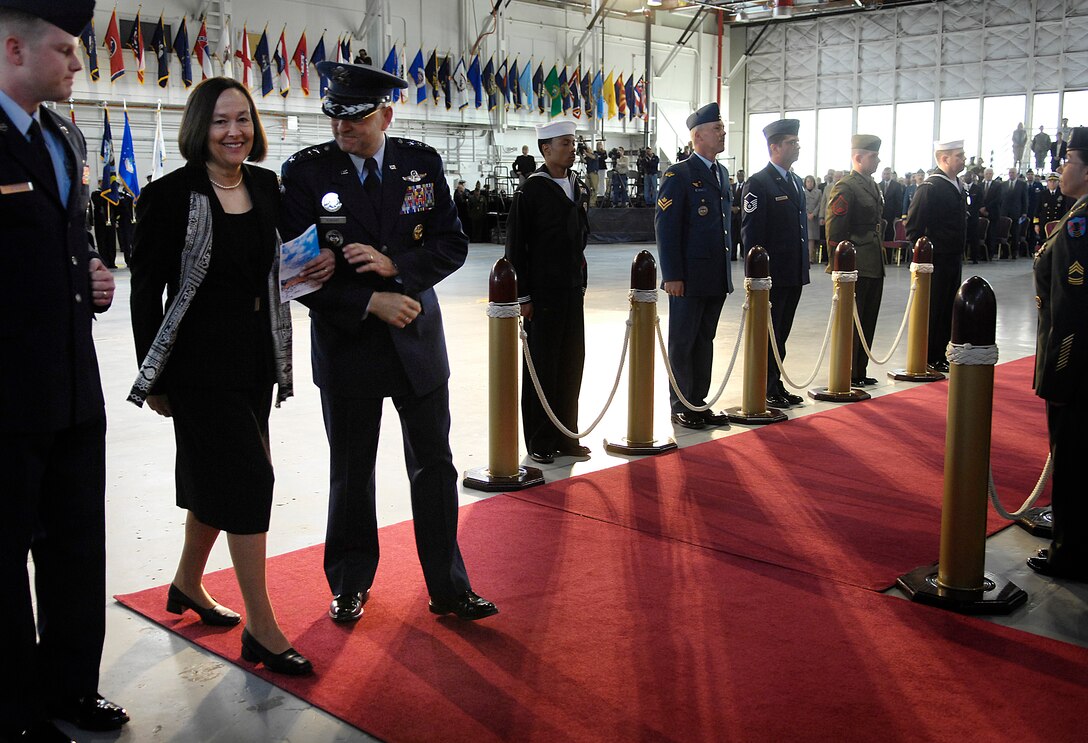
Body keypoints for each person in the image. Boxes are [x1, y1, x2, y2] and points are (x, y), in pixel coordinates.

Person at [280, 61, 497, 625]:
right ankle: (350, 581)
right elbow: (293, 274)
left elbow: (451, 245)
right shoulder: (306, 173)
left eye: (354, 120)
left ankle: (448, 587)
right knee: (352, 471)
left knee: (435, 467)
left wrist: (394, 267)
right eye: (334, 118)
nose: (341, 130)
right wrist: (367, 301)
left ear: (386, 114)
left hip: (416, 339)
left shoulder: (420, 165)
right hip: (348, 342)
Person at [130, 77, 332, 677]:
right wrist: (156, 376)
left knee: (216, 480)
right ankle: (262, 629)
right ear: (200, 127)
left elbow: (280, 264)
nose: (234, 131)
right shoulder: (169, 195)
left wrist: (312, 266)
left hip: (253, 358)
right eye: (220, 121)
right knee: (249, 482)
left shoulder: (266, 187)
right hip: (195, 364)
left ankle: (187, 584)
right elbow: (146, 294)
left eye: (243, 119)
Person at [0, 1, 129, 739]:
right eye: (65, 49)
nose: (78, 61)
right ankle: (16, 711)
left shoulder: (63, 134)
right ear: (15, 50)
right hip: (7, 399)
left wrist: (91, 273)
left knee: (79, 550)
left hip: (76, 389)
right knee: (4, 562)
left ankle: (71, 687)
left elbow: (67, 242)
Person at [505, 120, 592, 463]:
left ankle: (566, 434)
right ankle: (540, 440)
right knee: (541, 366)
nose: (573, 148)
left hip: (572, 291)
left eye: (574, 142)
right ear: (546, 149)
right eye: (566, 143)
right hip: (542, 296)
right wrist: (522, 296)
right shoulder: (531, 190)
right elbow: (516, 246)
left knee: (572, 362)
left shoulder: (576, 185)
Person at [1027, 126, 1088, 582]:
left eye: (1068, 160)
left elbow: (1071, 309)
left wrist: (1059, 375)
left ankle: (1071, 552)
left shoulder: (1078, 224)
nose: (1061, 168)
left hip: (1077, 363)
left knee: (1072, 459)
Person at [657, 102, 734, 429]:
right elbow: (666, 226)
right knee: (683, 341)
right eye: (716, 129)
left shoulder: (721, 172)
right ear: (698, 136)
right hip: (687, 276)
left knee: (705, 340)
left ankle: (698, 402)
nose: (722, 133)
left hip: (714, 275)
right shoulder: (680, 173)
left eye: (722, 128)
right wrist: (672, 275)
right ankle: (681, 404)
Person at [742, 118, 809, 409]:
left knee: (781, 334)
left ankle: (775, 384)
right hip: (772, 275)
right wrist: (757, 276)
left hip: (792, 272)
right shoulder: (758, 183)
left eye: (797, 142)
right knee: (768, 334)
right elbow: (751, 233)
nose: (797, 146)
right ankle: (765, 386)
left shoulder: (795, 181)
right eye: (791, 143)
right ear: (775, 147)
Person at [824, 135, 885, 387]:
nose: (878, 159)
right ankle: (847, 369)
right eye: (873, 156)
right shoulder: (846, 186)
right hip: (855, 264)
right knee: (853, 320)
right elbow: (835, 229)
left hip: (873, 261)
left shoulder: (871, 184)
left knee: (868, 319)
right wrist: (840, 267)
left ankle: (860, 369)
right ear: (858, 158)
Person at [904, 139, 967, 374]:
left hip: (953, 257)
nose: (963, 159)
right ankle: (930, 354)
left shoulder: (958, 184)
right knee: (935, 308)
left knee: (949, 307)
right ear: (944, 158)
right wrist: (924, 256)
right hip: (936, 260)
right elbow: (914, 226)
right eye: (959, 155)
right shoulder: (931, 187)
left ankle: (941, 352)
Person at [1001, 168, 1028, 257]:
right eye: (1010, 173)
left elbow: (1025, 199)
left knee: (1015, 233)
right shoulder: (1003, 184)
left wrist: (1024, 212)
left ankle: (1014, 252)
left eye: (1013, 173)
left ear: (1016, 174)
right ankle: (1005, 253)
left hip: (1016, 212)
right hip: (1005, 212)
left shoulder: (1022, 185)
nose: (1011, 174)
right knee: (1004, 233)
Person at [1036, 172, 1067, 240]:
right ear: (1047, 182)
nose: (1052, 183)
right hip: (1044, 223)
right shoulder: (1042, 194)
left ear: (1058, 182)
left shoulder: (1063, 194)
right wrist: (1036, 224)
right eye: (1050, 181)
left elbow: (1065, 210)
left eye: (1054, 181)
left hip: (1058, 223)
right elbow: (1037, 211)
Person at [878, 166, 903, 242]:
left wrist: (897, 216)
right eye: (884, 174)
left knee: (890, 233)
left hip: (891, 214)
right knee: (880, 233)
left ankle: (889, 252)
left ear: (891, 175)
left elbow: (899, 201)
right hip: (881, 214)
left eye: (887, 174)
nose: (886, 175)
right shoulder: (878, 185)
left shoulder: (897, 185)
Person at [803, 174, 821, 264]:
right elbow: (801, 204)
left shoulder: (818, 192)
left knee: (812, 239)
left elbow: (819, 204)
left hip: (813, 218)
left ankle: (810, 257)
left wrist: (813, 214)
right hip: (805, 217)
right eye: (808, 182)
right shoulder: (802, 192)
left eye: (811, 182)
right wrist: (806, 213)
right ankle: (805, 257)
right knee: (806, 238)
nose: (809, 183)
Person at [584, 140, 601, 206]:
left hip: (594, 173)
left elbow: (593, 157)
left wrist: (586, 153)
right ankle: (588, 201)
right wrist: (580, 155)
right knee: (587, 188)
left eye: (589, 149)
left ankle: (592, 203)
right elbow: (584, 161)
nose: (588, 150)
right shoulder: (588, 157)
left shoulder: (595, 155)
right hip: (588, 173)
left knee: (594, 188)